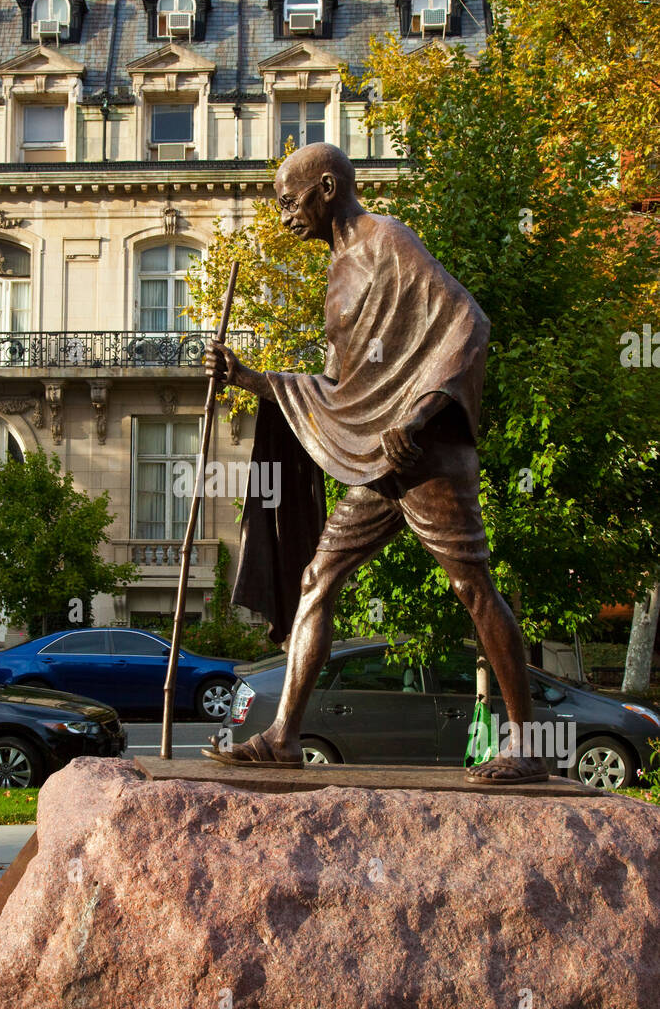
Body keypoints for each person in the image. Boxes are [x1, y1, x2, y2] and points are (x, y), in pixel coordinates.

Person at [203, 142, 545, 784]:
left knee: (472, 587)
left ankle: (526, 744)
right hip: (378, 465)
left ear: (327, 187)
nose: (283, 217)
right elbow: (343, 387)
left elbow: (469, 324)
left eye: (289, 200)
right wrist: (250, 378)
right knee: (317, 578)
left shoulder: (388, 241)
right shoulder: (337, 276)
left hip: (427, 454)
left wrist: (413, 421)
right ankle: (282, 736)